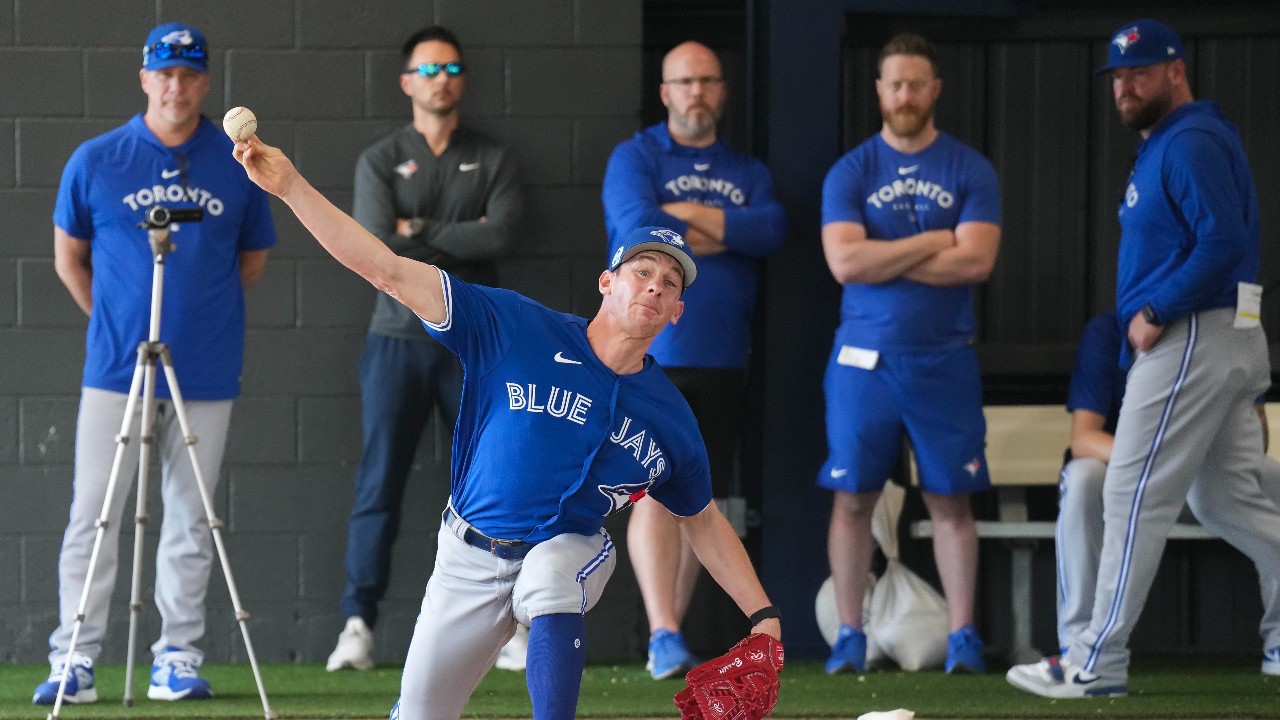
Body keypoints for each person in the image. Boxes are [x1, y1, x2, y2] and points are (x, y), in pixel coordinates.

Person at [232, 134, 782, 720]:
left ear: (677, 310)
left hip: (569, 548)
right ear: (607, 282)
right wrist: (290, 187)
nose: (654, 285)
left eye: (670, 284)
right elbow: (387, 269)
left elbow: (700, 517)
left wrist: (764, 617)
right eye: (641, 270)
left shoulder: (669, 416)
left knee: (551, 574)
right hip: (467, 555)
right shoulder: (514, 326)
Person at [1006, 18, 1280, 698]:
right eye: (1118, 76)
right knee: (1225, 501)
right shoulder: (1176, 142)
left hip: (1195, 332)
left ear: (1176, 71)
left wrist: (1157, 309)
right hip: (1227, 332)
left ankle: (1096, 661)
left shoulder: (1189, 140)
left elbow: (1221, 239)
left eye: (1140, 71)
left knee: (1130, 494)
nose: (1125, 85)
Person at [33, 22, 275, 706]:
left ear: (205, 81)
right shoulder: (97, 159)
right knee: (95, 513)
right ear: (144, 77)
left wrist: (195, 318)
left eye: (190, 74)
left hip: (207, 366)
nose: (177, 85)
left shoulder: (237, 162)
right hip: (115, 368)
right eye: (164, 73)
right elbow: (67, 259)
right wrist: (117, 323)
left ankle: (176, 656)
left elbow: (250, 261)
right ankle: (73, 659)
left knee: (192, 516)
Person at [326, 24, 525, 674]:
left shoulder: (492, 157)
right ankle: (358, 624)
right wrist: (449, 237)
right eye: (428, 69)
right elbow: (378, 249)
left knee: (493, 485)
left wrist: (422, 231)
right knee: (379, 483)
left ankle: (510, 625)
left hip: (476, 345)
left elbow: (501, 240)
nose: (441, 79)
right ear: (408, 81)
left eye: (451, 68)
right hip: (398, 342)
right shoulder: (381, 159)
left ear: (461, 80)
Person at [600, 40, 787, 680]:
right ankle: (663, 633)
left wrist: (684, 218)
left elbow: (769, 231)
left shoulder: (749, 169)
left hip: (724, 355)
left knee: (693, 495)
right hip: (655, 352)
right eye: (685, 81)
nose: (697, 92)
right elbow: (637, 223)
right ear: (665, 92)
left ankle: (669, 642)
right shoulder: (637, 155)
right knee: (650, 491)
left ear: (722, 90)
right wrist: (720, 225)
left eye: (708, 80)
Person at [818, 32, 1001, 675]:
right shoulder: (852, 170)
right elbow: (844, 261)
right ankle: (849, 634)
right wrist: (931, 242)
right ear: (879, 90)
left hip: (944, 358)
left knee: (951, 501)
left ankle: (963, 638)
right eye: (894, 84)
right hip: (862, 361)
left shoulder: (970, 168)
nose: (905, 95)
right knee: (852, 498)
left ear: (935, 89)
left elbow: (976, 259)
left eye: (916, 84)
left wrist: (884, 259)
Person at [1054, 312, 1280, 663]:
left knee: (1270, 479)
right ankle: (1079, 644)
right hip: (1134, 482)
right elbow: (1083, 439)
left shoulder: (1223, 331)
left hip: (1207, 483)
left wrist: (1247, 411)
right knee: (1082, 479)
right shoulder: (1112, 331)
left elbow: (1254, 446)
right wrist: (1158, 461)